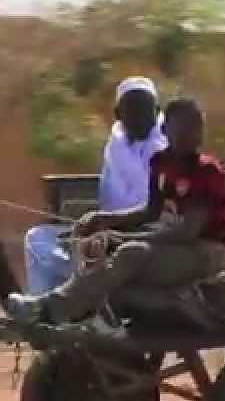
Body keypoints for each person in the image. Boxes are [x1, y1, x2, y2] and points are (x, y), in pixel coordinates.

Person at [7, 97, 225, 325]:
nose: (190, 134)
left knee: (131, 252)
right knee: (102, 256)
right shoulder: (161, 162)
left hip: (205, 251)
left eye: (195, 127)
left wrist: (122, 237)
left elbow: (187, 232)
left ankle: (48, 309)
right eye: (182, 127)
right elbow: (150, 212)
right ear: (164, 129)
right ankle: (100, 317)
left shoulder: (206, 171)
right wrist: (105, 220)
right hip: (173, 248)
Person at [22, 76, 167, 293]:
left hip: (141, 236)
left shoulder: (166, 148)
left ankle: (65, 296)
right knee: (38, 238)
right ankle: (45, 306)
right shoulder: (115, 148)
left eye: (146, 110)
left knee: (83, 252)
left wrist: (106, 223)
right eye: (133, 110)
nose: (140, 117)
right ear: (118, 114)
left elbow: (154, 210)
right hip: (106, 230)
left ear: (156, 112)